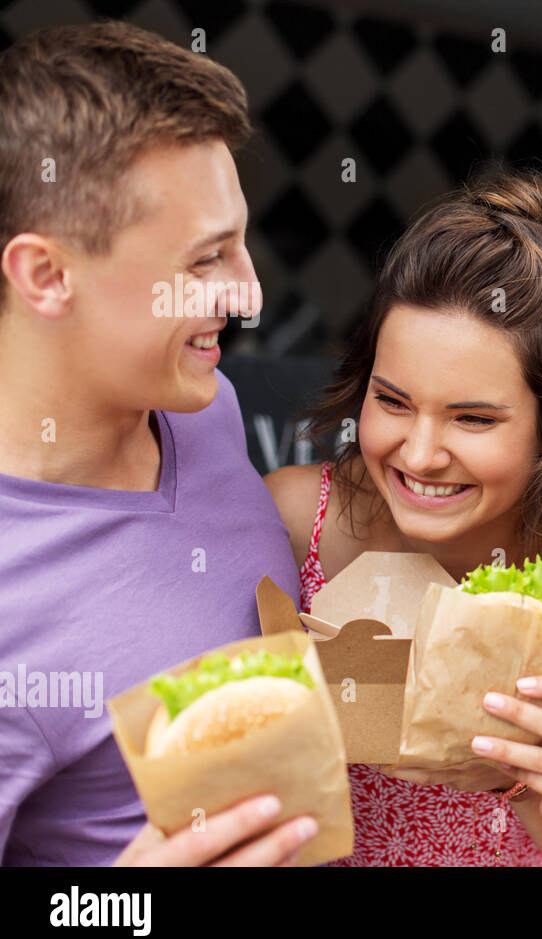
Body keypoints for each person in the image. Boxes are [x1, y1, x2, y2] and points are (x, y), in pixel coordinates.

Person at [264, 168, 542, 867]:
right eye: (392, 402)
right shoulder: (294, 516)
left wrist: (528, 779)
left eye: (473, 419)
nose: (420, 455)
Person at [0, 22, 316, 865]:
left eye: (241, 245)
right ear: (47, 275)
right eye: (207, 260)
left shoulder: (203, 409)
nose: (249, 296)